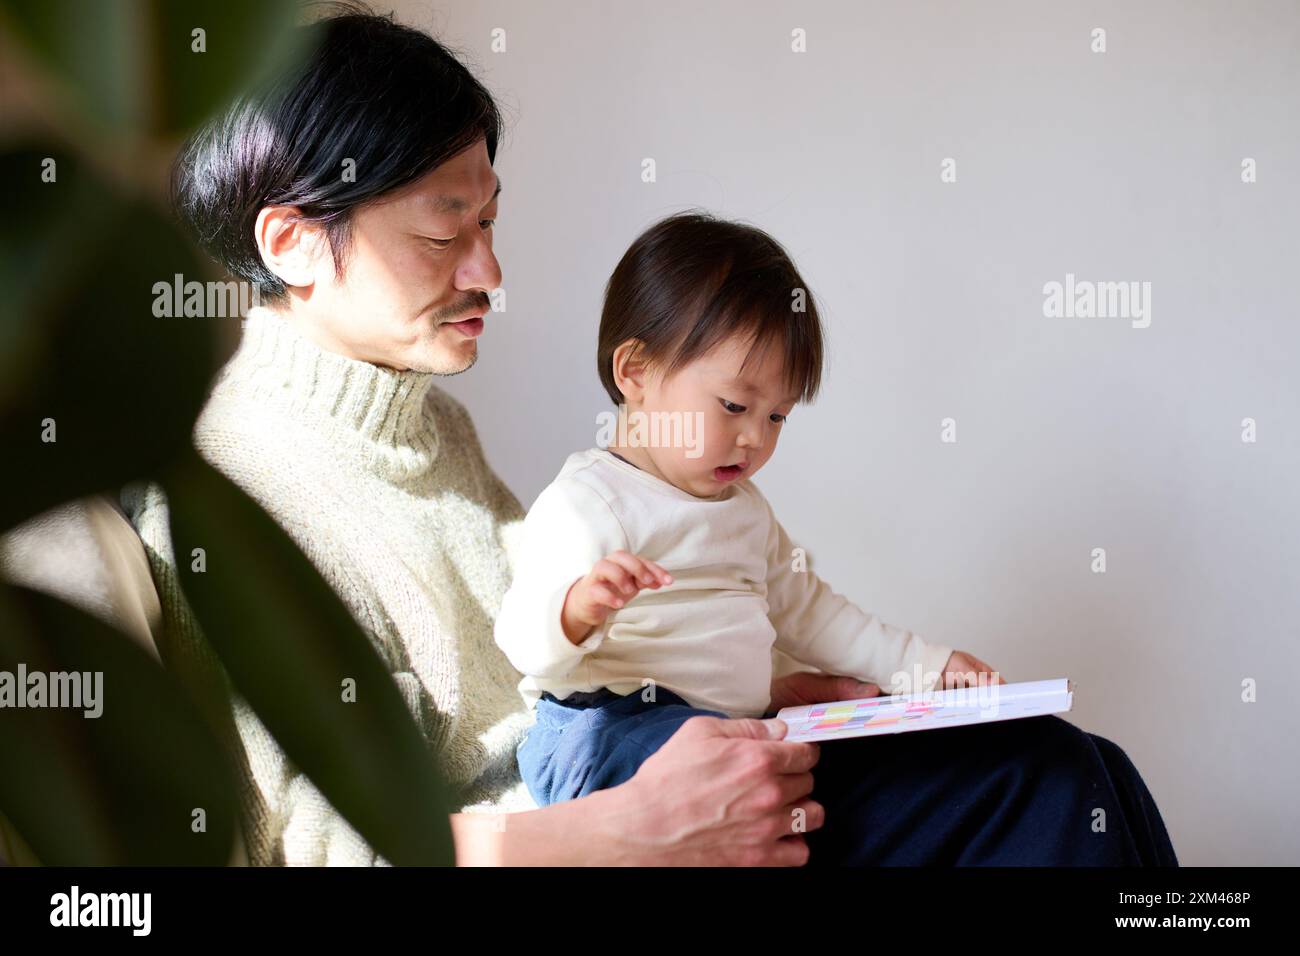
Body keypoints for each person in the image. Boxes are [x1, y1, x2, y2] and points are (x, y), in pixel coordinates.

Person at [130, 4, 1178, 866]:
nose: (490, 271)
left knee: (1075, 765)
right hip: (606, 835)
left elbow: (568, 654)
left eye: (490, 222)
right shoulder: (228, 499)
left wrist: (779, 690)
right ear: (293, 243)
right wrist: (629, 829)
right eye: (447, 230)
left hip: (661, 778)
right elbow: (307, 853)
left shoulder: (429, 427)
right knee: (1048, 790)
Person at [496, 211, 1006, 808]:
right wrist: (576, 610)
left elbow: (812, 614)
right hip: (606, 729)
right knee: (722, 764)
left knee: (812, 768)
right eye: (734, 405)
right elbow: (519, 638)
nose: (755, 438)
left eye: (776, 416)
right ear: (635, 372)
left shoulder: (745, 511)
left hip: (723, 728)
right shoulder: (590, 502)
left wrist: (923, 665)